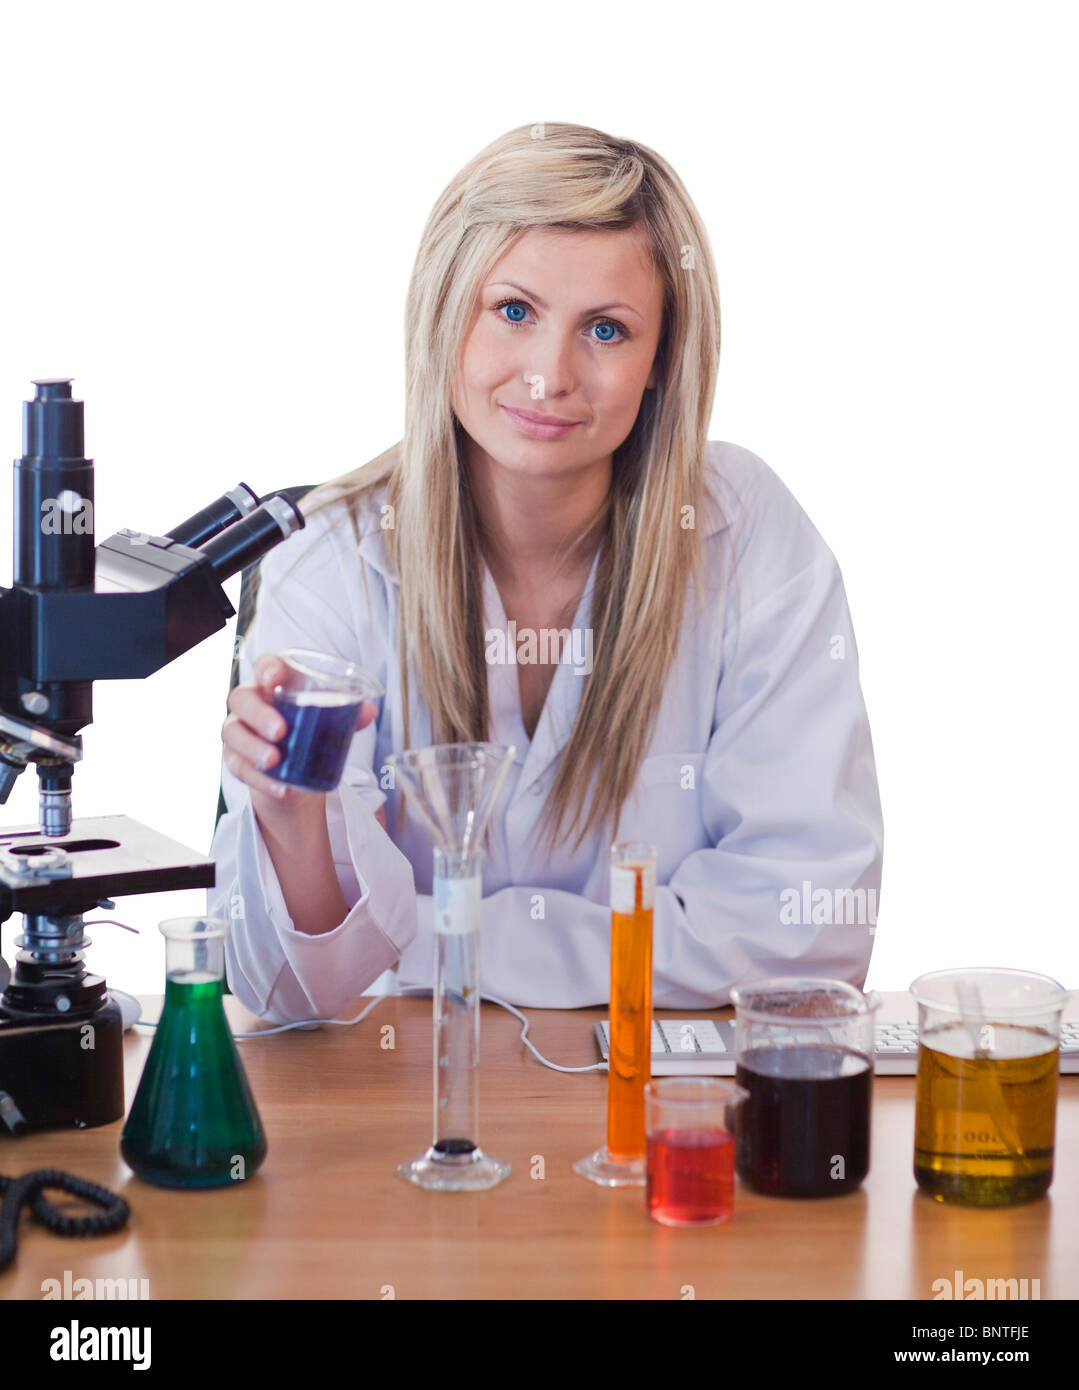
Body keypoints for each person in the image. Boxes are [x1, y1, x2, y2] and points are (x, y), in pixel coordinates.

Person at [208, 122, 884, 1026]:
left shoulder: (746, 529)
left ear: (661, 361)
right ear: (444, 314)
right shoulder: (323, 557)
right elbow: (293, 994)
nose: (548, 376)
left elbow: (806, 933)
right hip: (402, 1094)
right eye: (514, 311)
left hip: (656, 1094)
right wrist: (293, 823)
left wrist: (425, 941)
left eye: (606, 329)